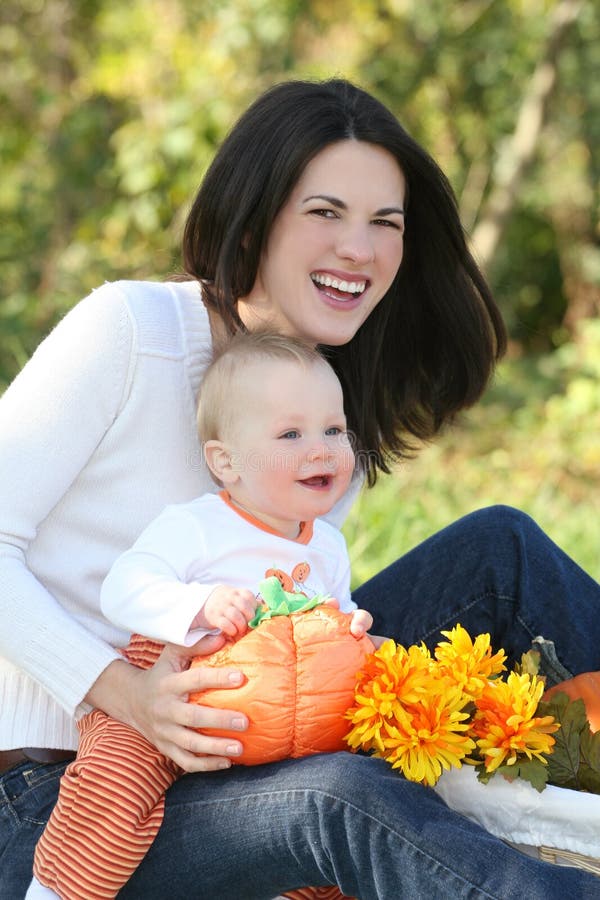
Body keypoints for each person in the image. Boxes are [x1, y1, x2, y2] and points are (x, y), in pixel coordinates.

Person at [1, 76, 599, 900]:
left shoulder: (324, 412)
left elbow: (299, 622)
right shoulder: (131, 333)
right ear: (255, 217)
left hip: (237, 746)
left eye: (385, 223)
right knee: (338, 799)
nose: (361, 247)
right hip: (56, 805)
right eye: (326, 213)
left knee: (500, 550)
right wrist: (125, 695)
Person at [28, 331, 377, 899]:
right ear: (226, 462)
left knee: (342, 789)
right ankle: (56, 892)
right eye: (290, 433)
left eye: (333, 429)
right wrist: (197, 604)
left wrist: (354, 632)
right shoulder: (197, 525)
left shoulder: (327, 547)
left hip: (283, 707)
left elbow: (342, 611)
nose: (321, 448)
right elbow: (124, 587)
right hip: (178, 681)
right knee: (114, 781)